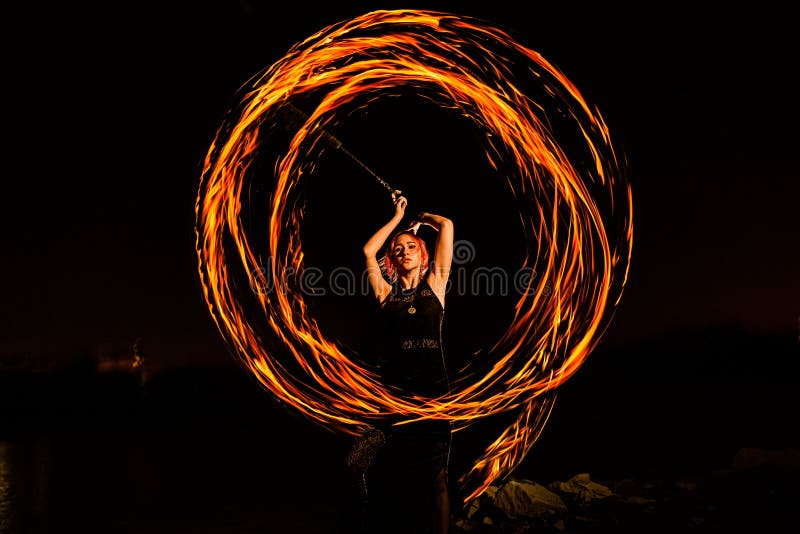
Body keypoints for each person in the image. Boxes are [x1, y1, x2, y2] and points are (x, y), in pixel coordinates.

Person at [358, 192, 454, 534]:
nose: (403, 250)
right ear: (392, 260)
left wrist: (421, 219)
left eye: (411, 246)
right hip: (396, 393)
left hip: (433, 390)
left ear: (423, 254)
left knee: (438, 478)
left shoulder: (436, 286)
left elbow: (446, 225)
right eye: (398, 249)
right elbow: (369, 251)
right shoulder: (386, 295)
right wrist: (397, 219)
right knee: (392, 475)